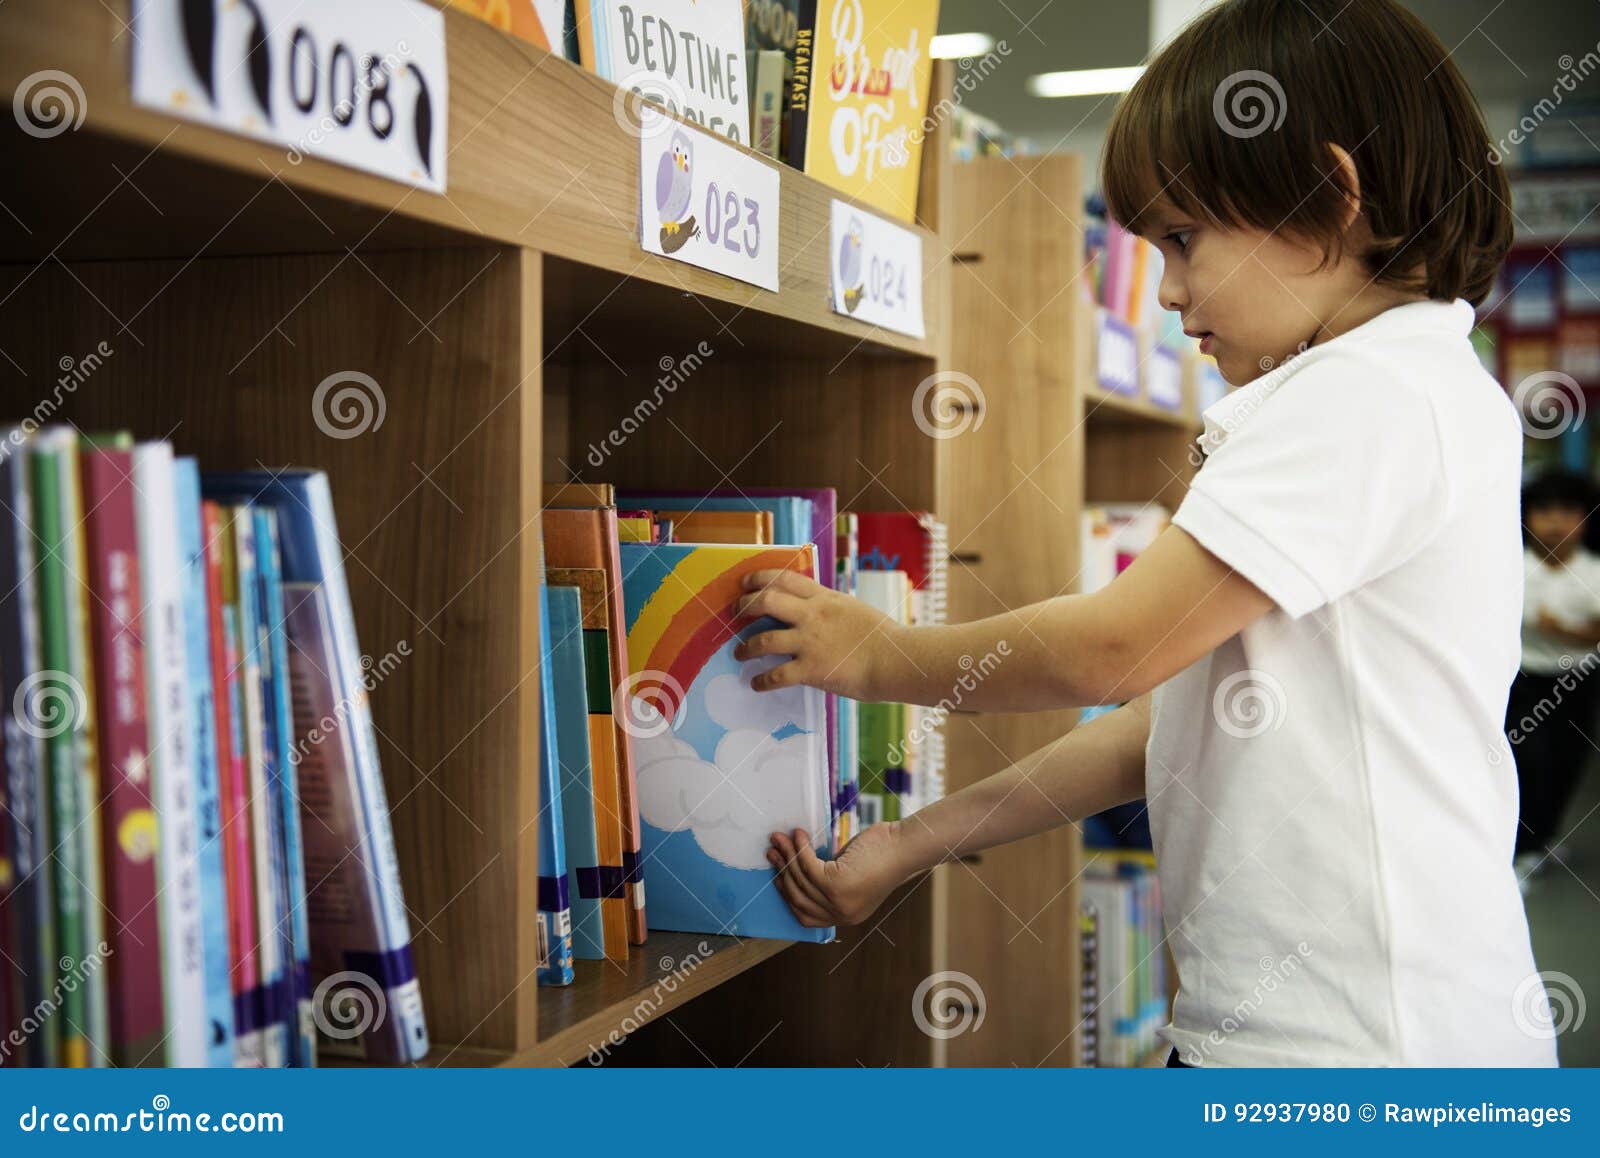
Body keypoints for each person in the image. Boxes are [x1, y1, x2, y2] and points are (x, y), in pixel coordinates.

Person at [734, 0, 1556, 1066]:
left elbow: (1111, 649)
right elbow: (1166, 722)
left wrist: (876, 654)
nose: (1167, 292)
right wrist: (910, 842)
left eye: (1184, 240)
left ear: (1331, 194)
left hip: (1353, 1058)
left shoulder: (1363, 394)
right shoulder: (1421, 384)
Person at [1509, 470, 1600, 888]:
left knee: (1567, 764)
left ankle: (1543, 838)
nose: (1556, 523)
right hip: (1524, 682)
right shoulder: (1513, 568)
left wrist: (1560, 630)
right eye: (1544, 511)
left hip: (1577, 683)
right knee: (1530, 762)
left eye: (1568, 512)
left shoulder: (1593, 572)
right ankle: (1523, 849)